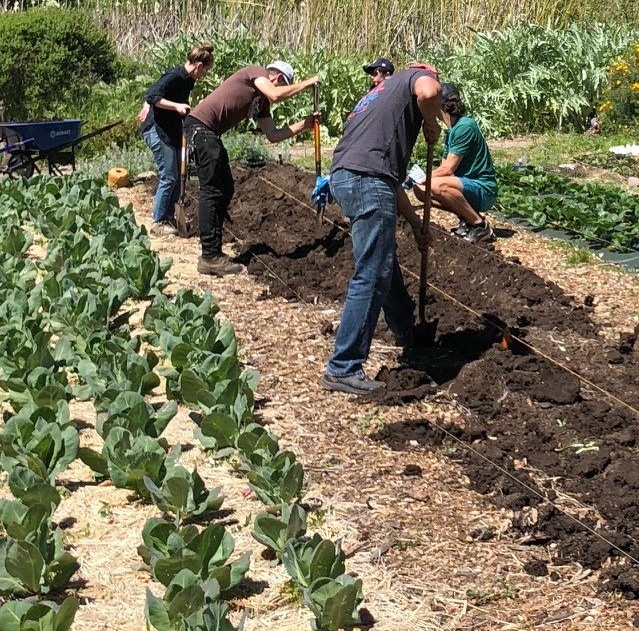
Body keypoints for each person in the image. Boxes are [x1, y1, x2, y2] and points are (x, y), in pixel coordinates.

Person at [321, 62, 443, 395]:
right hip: (367, 179)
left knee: (382, 260)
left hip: (347, 177)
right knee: (372, 273)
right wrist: (430, 123)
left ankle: (405, 330)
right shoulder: (419, 77)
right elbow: (429, 92)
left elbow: (388, 182)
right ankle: (342, 368)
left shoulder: (376, 95)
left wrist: (417, 224)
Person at [184, 61, 320, 276]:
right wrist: (307, 83)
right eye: (281, 81)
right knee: (212, 190)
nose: (277, 84)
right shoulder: (255, 72)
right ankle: (210, 257)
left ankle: (213, 251)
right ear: (274, 75)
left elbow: (273, 135)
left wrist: (305, 124)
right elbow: (275, 94)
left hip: (209, 133)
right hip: (200, 128)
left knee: (225, 187)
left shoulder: (261, 103)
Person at [138, 44, 214, 233]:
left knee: (177, 176)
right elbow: (153, 96)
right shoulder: (175, 75)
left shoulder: (187, 80)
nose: (204, 74)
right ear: (198, 65)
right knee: (169, 176)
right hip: (156, 129)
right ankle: (158, 222)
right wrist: (176, 106)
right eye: (204, 70)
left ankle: (168, 215)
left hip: (169, 130)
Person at [416, 82, 497, 244]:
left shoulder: (465, 127)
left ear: (440, 105)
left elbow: (447, 169)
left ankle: (480, 225)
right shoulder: (452, 131)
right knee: (420, 191)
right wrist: (417, 180)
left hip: (483, 189)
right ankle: (467, 217)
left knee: (437, 186)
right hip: (466, 185)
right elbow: (444, 167)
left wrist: (424, 177)